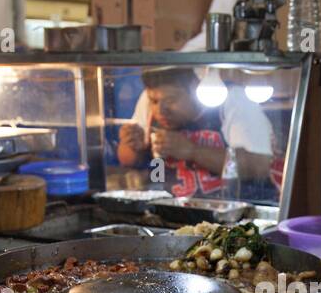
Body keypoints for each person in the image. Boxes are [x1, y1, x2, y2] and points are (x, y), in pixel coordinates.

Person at [117, 66, 275, 198]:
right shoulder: (149, 98)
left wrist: (193, 151)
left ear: (194, 88)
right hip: (170, 214)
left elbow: (259, 166)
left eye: (171, 100)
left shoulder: (233, 99)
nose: (160, 110)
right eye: (154, 101)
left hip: (234, 217)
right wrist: (131, 144)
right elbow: (127, 159)